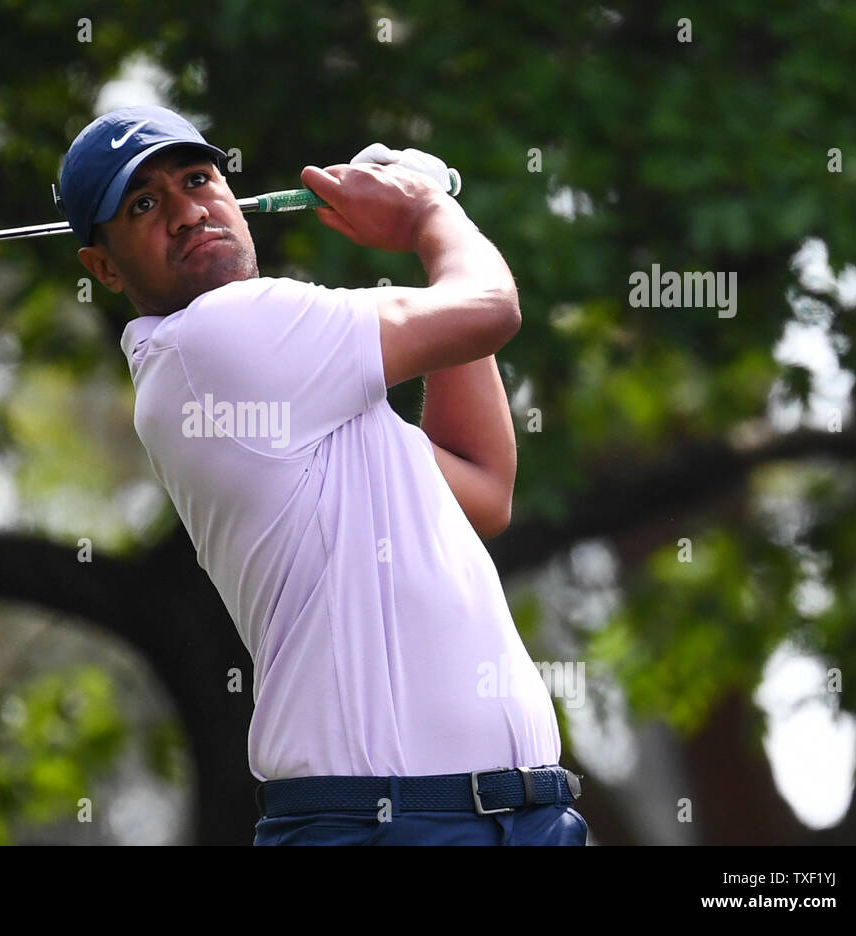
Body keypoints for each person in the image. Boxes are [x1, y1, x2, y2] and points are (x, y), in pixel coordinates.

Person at [57, 104, 587, 845]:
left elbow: (482, 485)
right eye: (143, 204)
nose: (184, 213)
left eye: (196, 178)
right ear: (104, 266)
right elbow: (490, 309)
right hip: (385, 824)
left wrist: (432, 233)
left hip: (521, 819)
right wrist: (429, 212)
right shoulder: (218, 339)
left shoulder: (305, 394)